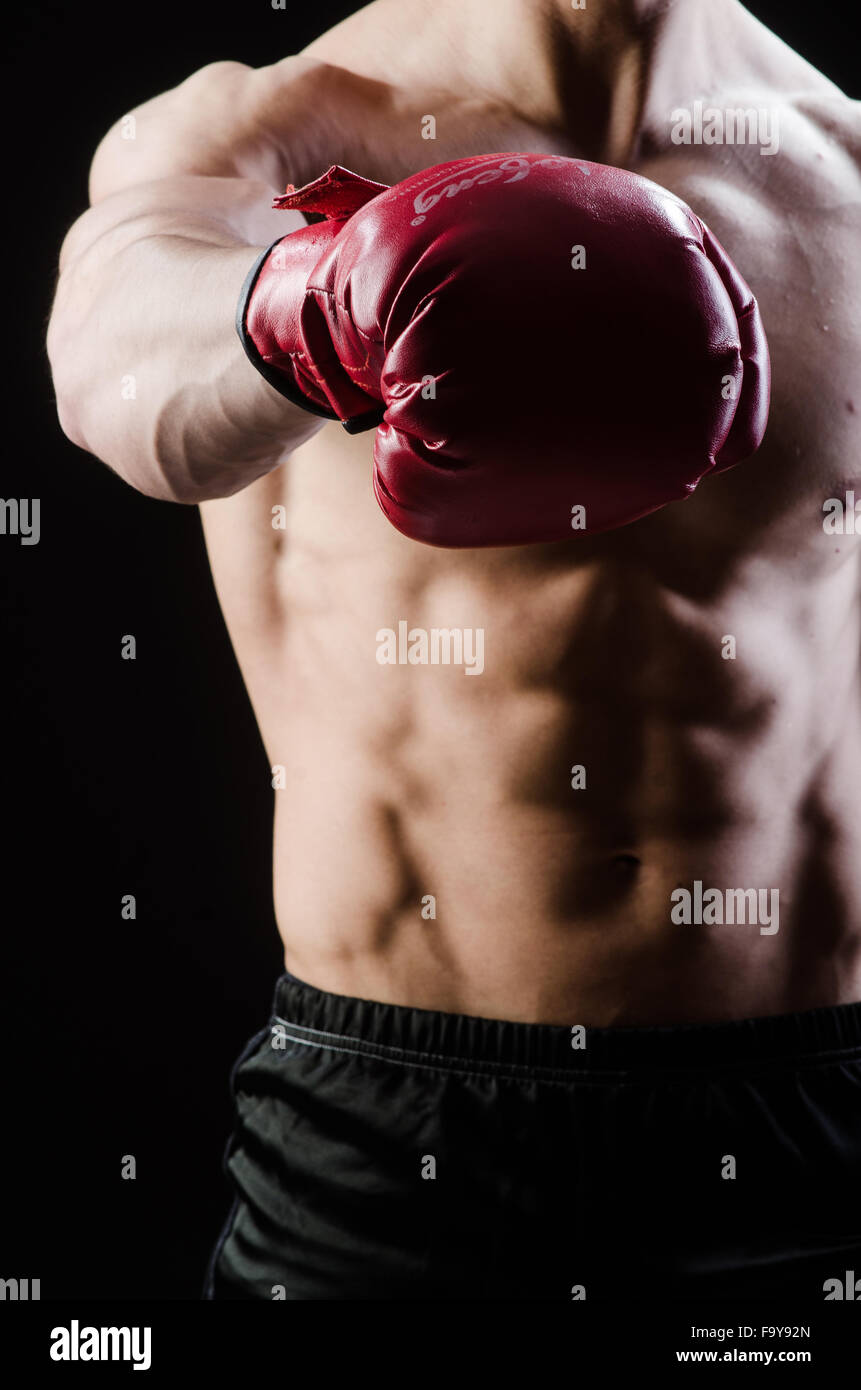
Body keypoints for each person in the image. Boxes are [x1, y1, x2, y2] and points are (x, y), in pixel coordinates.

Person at [47, 0, 861, 1300]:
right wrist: (318, 304)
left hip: (808, 1128)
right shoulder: (275, 123)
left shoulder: (842, 164)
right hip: (393, 1129)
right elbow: (107, 367)